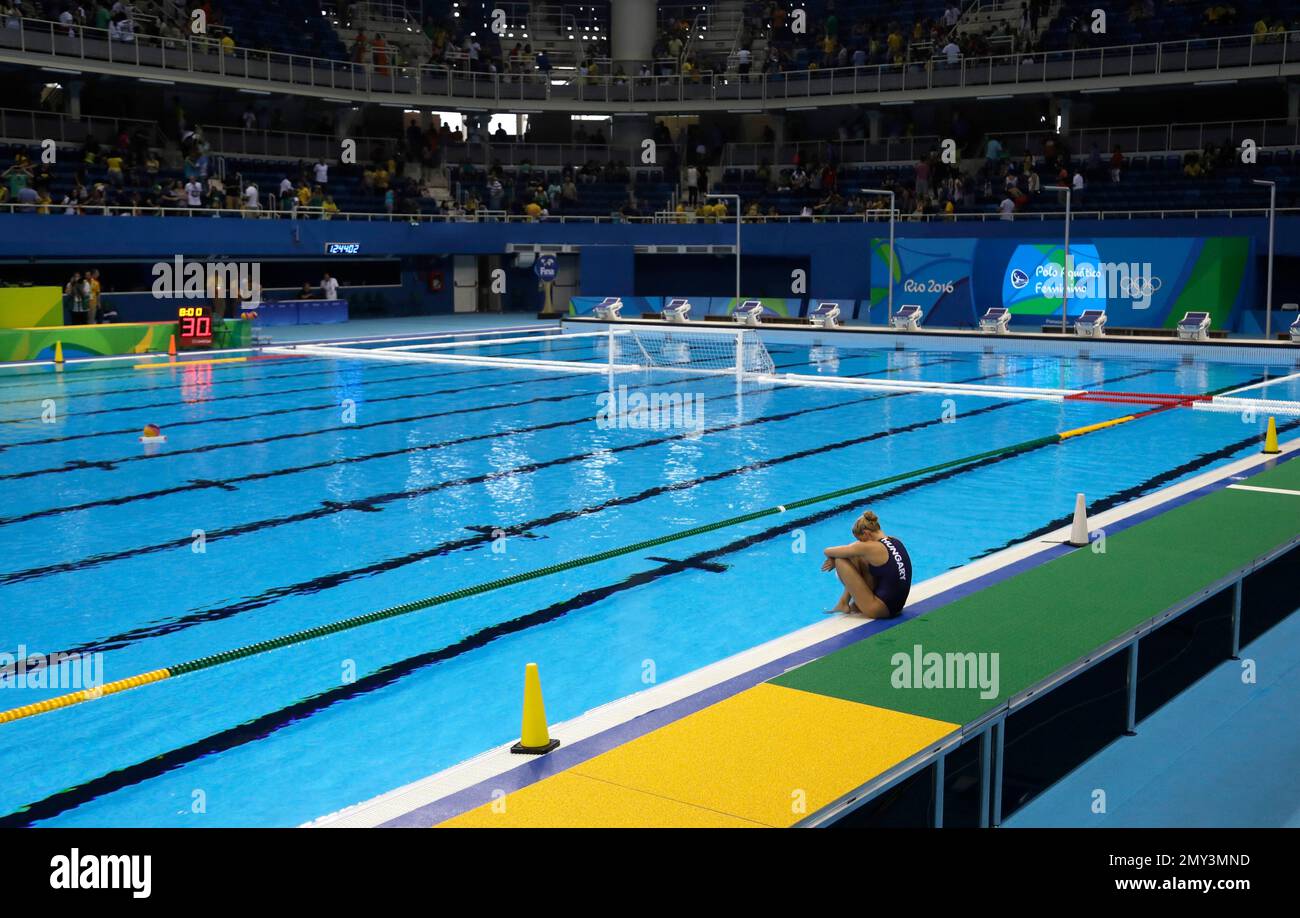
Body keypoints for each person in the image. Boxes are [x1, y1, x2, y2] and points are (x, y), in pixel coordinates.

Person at [822, 510, 912, 619]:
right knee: (858, 556)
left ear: (866, 533)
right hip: (897, 607)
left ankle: (844, 603)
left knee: (840, 560)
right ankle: (844, 603)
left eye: (861, 540)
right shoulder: (896, 541)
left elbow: (827, 551)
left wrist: (833, 559)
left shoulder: (870, 547)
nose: (861, 543)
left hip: (879, 610)